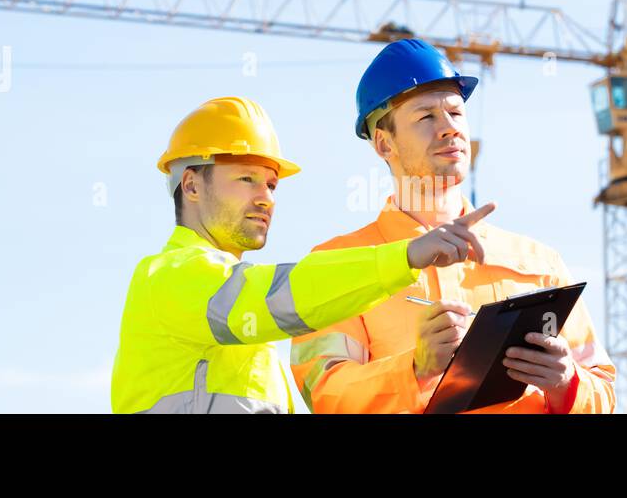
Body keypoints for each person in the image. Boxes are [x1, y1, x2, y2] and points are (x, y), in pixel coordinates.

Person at [112, 96, 495, 414]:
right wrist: (406, 257)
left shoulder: (245, 340)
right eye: (246, 178)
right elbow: (283, 294)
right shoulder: (170, 275)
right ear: (191, 185)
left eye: (272, 184)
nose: (265, 198)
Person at [290, 40, 616, 413]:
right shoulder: (336, 265)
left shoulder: (540, 262)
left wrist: (566, 381)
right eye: (426, 117)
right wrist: (415, 369)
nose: (449, 129)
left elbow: (604, 392)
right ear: (383, 144)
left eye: (456, 114)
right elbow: (326, 395)